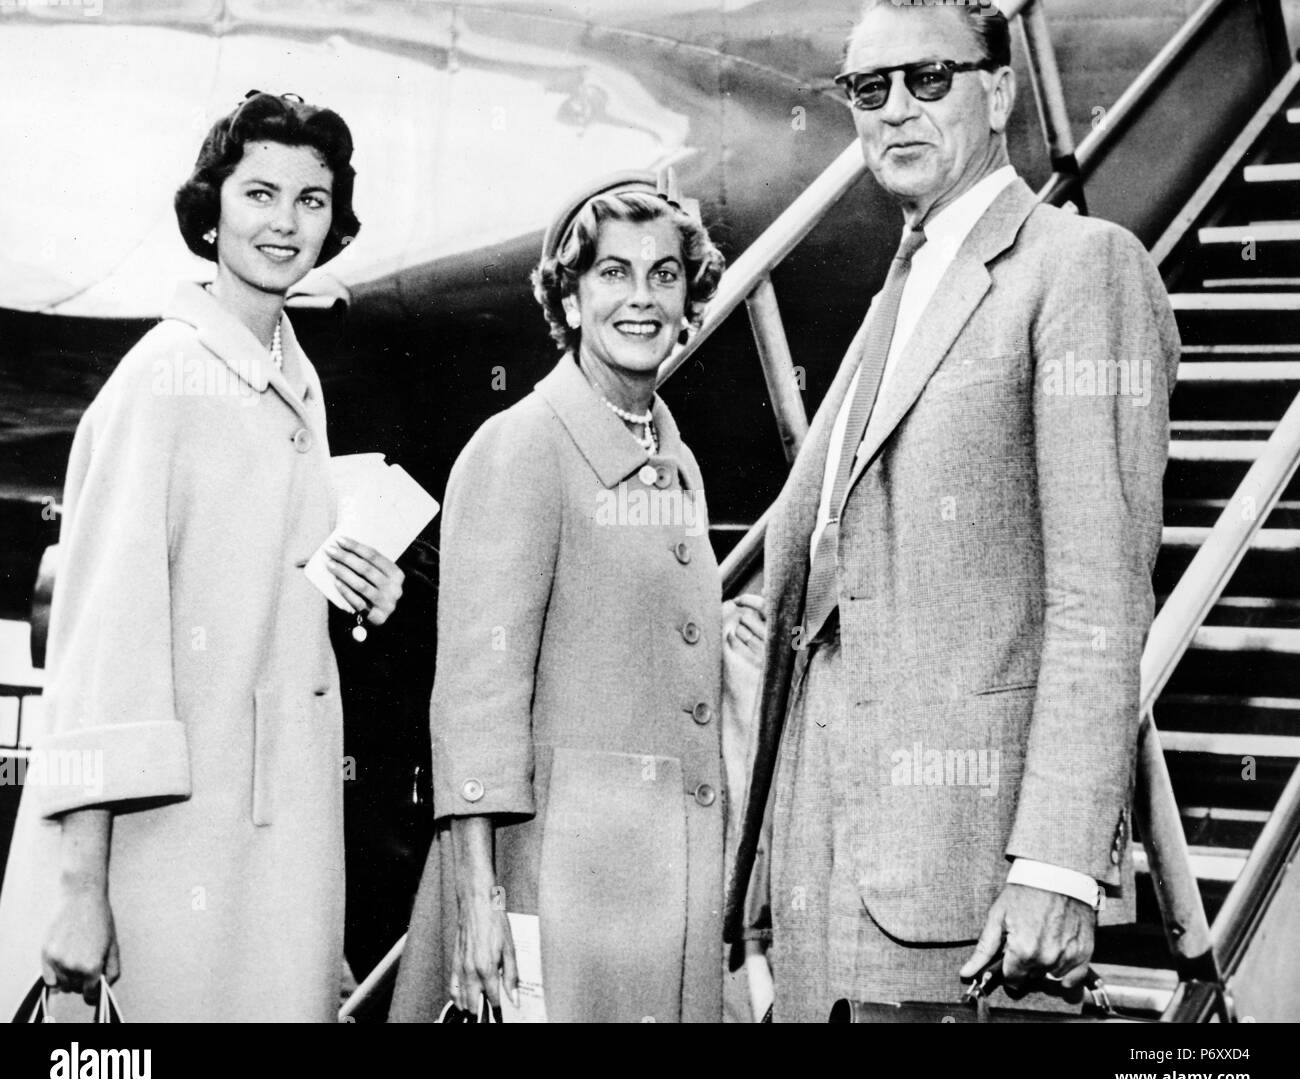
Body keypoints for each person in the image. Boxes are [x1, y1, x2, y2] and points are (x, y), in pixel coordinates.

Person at [725, 0, 1181, 1022]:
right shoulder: (899, 295)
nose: (893, 111)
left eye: (926, 80)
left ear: (1001, 86)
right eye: (867, 89)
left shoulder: (1078, 266)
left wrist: (1058, 863)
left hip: (965, 902)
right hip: (827, 887)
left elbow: (1098, 594)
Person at [0, 91, 405, 1022]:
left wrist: (355, 593)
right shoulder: (162, 383)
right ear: (210, 207)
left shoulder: (291, 380)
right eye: (259, 193)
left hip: (266, 852)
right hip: (161, 846)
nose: (285, 222)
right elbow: (101, 651)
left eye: (312, 200)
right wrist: (79, 888)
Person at [389, 170, 765, 1023]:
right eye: (612, 273)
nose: (641, 298)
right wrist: (475, 902)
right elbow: (477, 698)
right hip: (550, 887)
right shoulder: (521, 445)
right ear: (569, 297)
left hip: (656, 886)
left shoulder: (677, 458)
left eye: (664, 274)